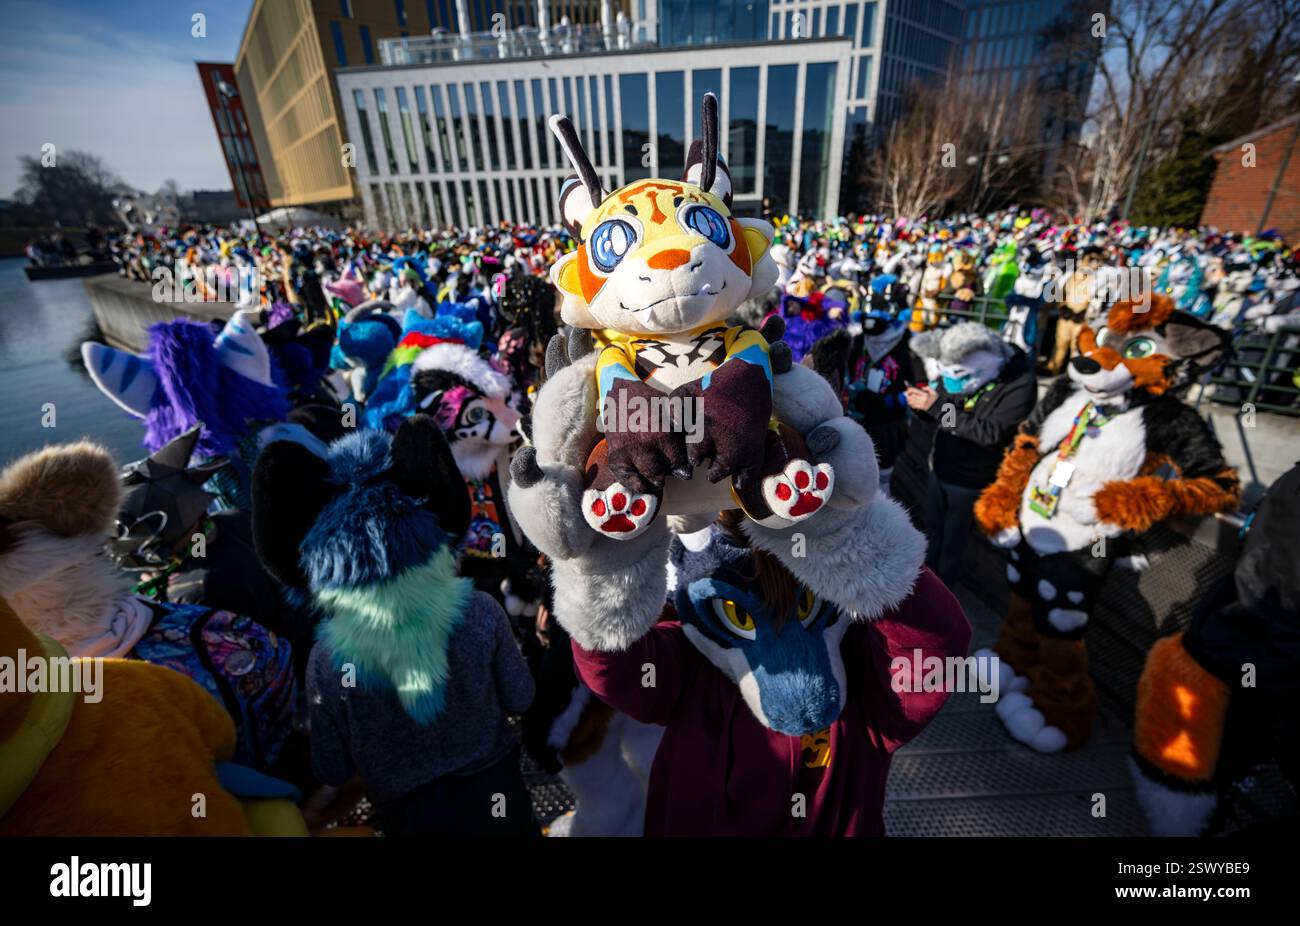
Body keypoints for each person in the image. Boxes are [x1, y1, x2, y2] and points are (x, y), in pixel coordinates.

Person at [905, 322, 1036, 589]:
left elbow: (989, 432)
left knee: (953, 547)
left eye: (958, 376)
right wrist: (923, 404)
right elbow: (941, 402)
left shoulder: (1021, 384)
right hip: (939, 467)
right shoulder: (953, 365)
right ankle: (922, 589)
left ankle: (943, 599)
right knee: (930, 536)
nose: (951, 382)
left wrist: (937, 408)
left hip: (970, 480)